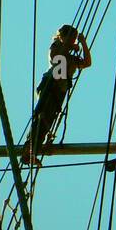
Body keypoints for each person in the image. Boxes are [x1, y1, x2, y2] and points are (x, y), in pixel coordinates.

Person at [23, 24, 92, 165]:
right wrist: (71, 47)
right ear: (62, 37)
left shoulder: (71, 59)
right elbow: (57, 57)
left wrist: (83, 43)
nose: (73, 41)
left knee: (49, 119)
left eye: (74, 39)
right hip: (50, 85)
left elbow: (87, 63)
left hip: (59, 91)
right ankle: (28, 148)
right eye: (70, 38)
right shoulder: (55, 48)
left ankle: (35, 148)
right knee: (42, 115)